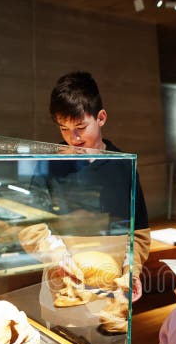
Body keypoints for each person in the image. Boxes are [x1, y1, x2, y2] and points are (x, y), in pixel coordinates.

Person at [47, 71, 151, 301]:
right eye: (64, 128)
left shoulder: (123, 164)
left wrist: (132, 272)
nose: (73, 138)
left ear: (101, 117)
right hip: (63, 288)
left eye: (81, 127)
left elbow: (139, 231)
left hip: (112, 290)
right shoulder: (50, 162)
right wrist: (56, 256)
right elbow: (32, 225)